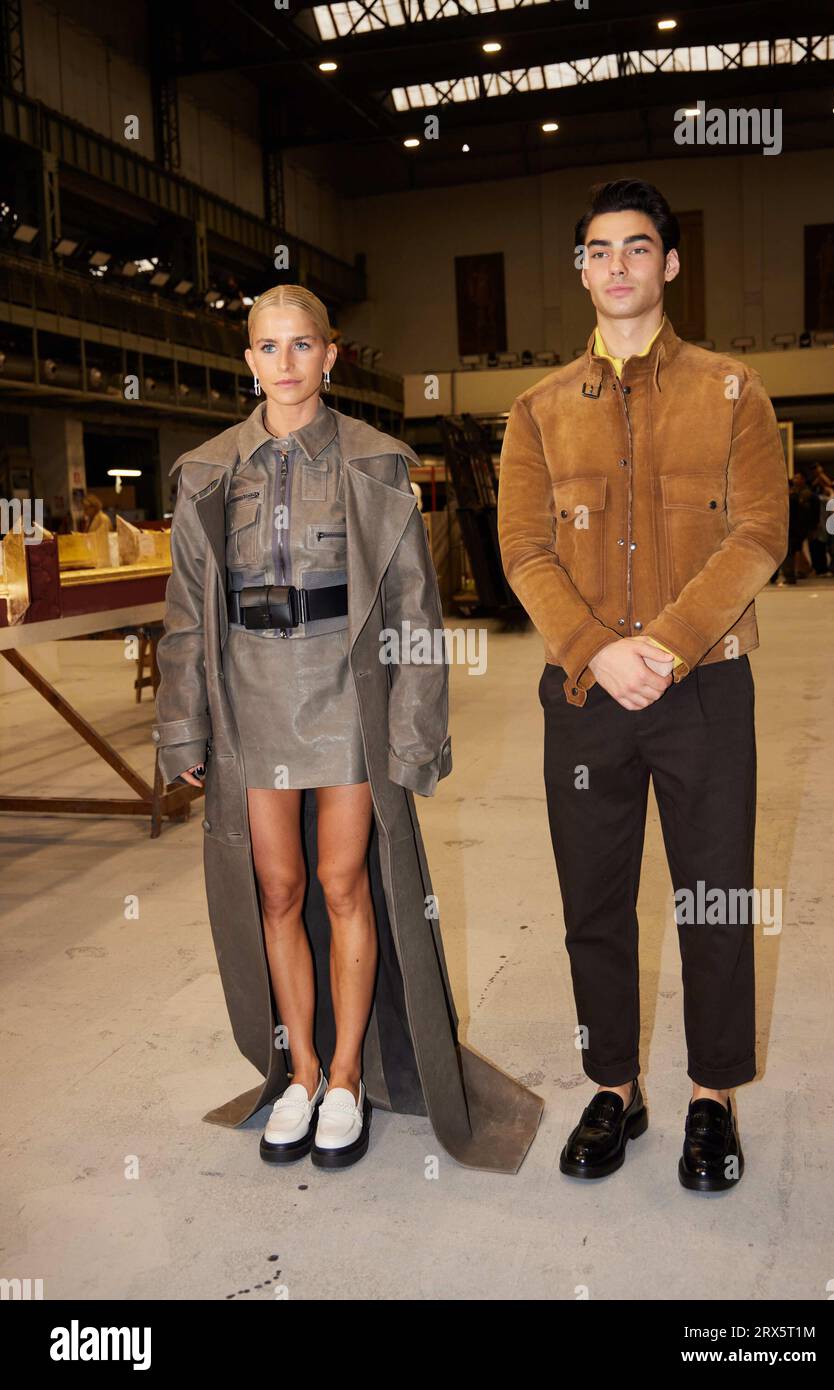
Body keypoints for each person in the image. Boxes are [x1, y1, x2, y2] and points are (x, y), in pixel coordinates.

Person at [152, 284, 542, 1174]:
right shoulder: (207, 472)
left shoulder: (377, 464)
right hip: (249, 697)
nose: (285, 364)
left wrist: (412, 731)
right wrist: (183, 729)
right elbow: (182, 615)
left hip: (345, 697)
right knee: (277, 893)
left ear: (332, 355)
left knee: (342, 884)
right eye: (267, 347)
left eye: (303, 346)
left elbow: (413, 610)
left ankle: (346, 1078)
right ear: (247, 359)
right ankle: (296, 1071)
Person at [497, 178, 789, 1193]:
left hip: (703, 686)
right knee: (593, 903)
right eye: (595, 250)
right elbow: (523, 549)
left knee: (710, 899)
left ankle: (712, 1096)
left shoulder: (732, 391)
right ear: (579, 269)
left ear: (667, 264)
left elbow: (757, 533)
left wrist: (658, 646)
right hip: (582, 696)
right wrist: (592, 648)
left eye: (634, 248)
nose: (614, 265)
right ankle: (613, 1085)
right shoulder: (534, 413)